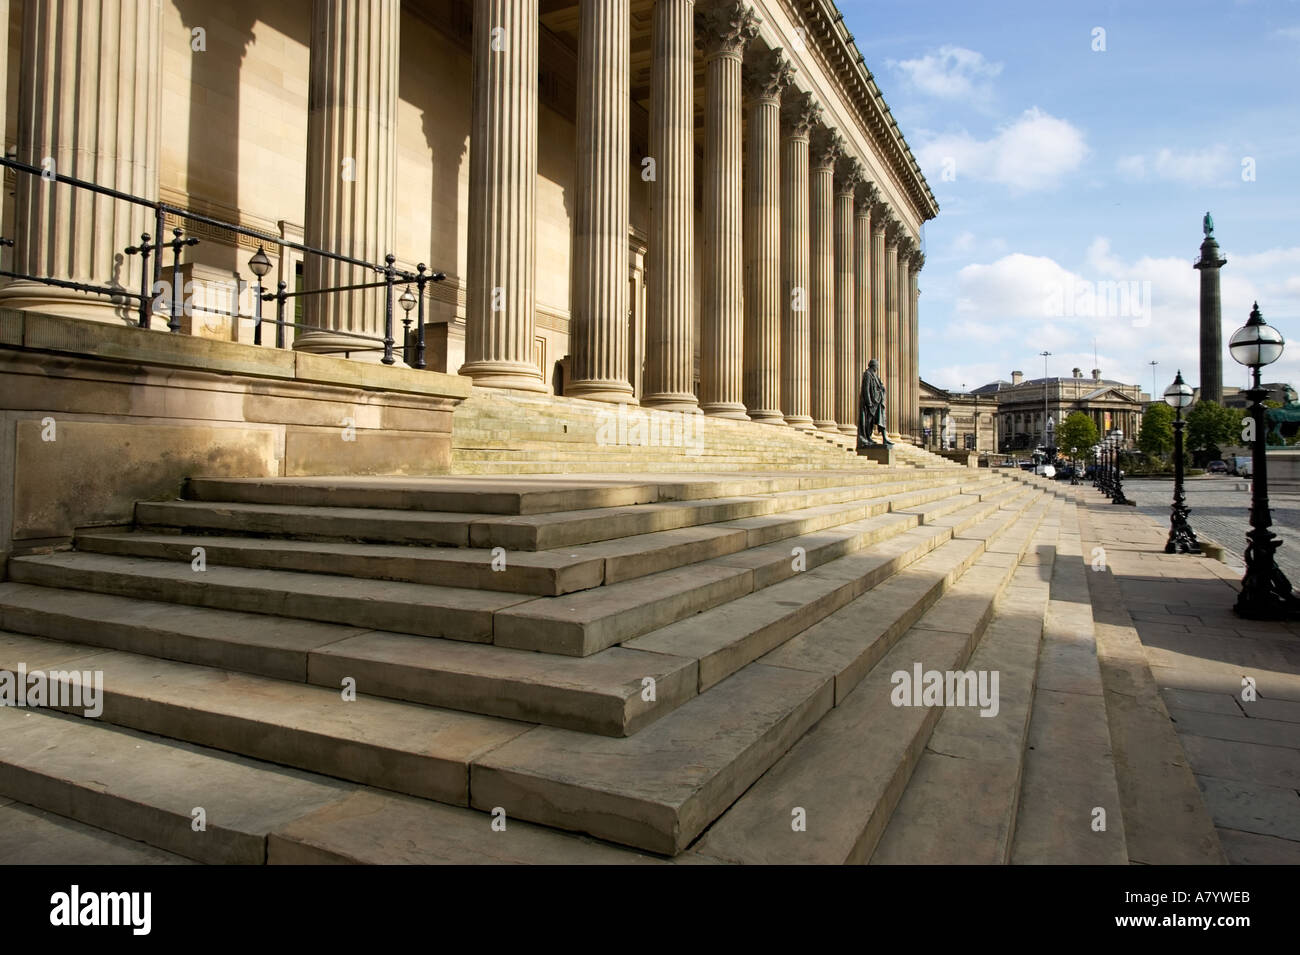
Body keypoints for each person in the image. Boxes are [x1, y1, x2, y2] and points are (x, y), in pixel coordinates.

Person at [857, 358, 891, 449]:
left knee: (873, 422)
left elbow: (879, 386)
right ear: (874, 365)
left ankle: (870, 437)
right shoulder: (868, 374)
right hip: (870, 403)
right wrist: (868, 402)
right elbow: (866, 389)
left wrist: (882, 388)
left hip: (876, 402)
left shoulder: (875, 376)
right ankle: (866, 437)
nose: (878, 367)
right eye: (877, 365)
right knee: (868, 422)